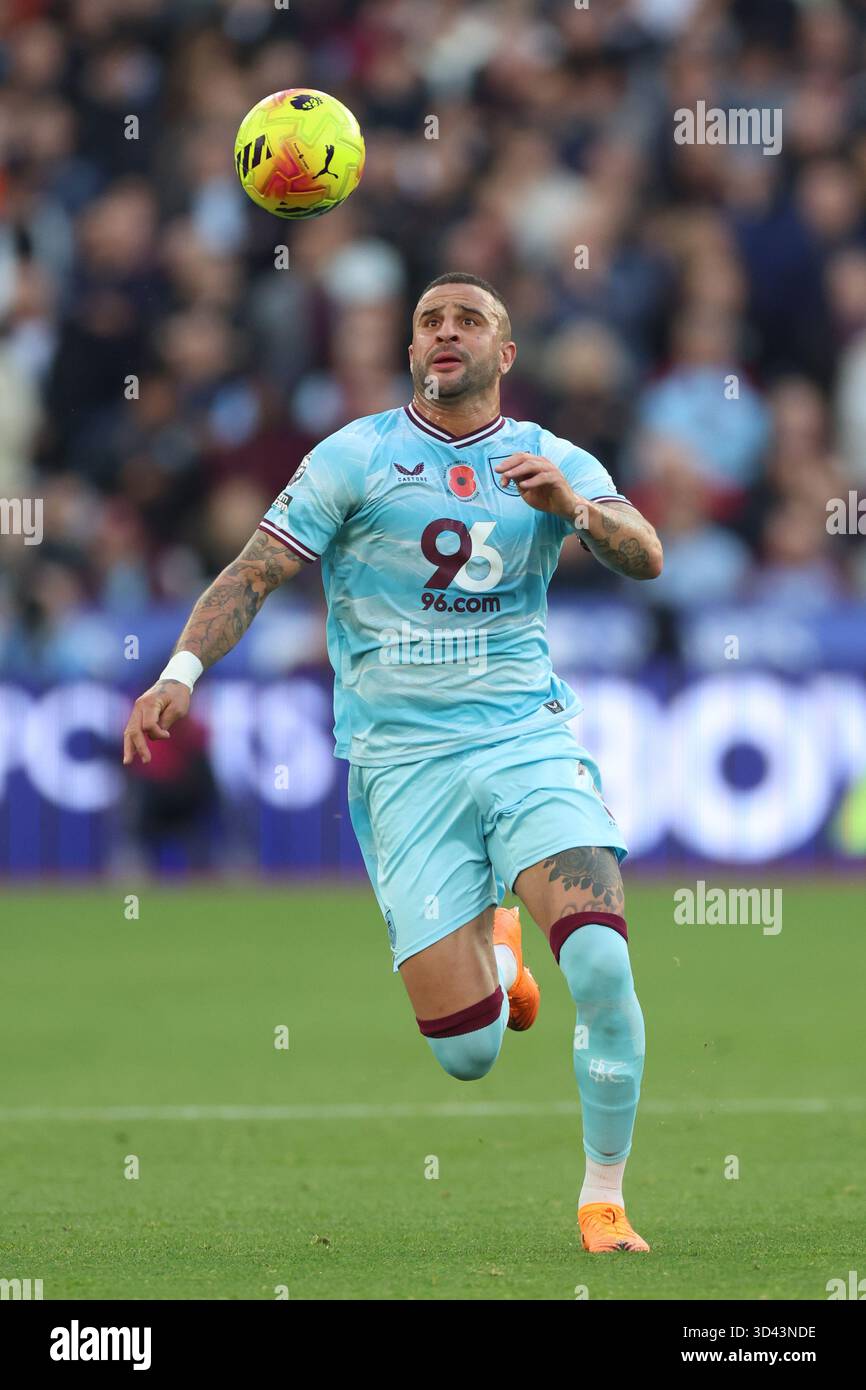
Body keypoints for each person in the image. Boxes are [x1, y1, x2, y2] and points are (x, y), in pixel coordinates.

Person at [123, 272, 663, 1253]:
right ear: (412, 352)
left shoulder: (549, 456)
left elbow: (647, 556)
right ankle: (497, 944)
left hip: (521, 738)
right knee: (466, 1053)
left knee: (596, 957)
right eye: (428, 321)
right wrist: (179, 673)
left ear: (505, 354)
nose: (444, 331)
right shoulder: (354, 457)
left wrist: (577, 508)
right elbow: (256, 570)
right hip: (399, 764)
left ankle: (602, 1197)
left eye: (468, 320)